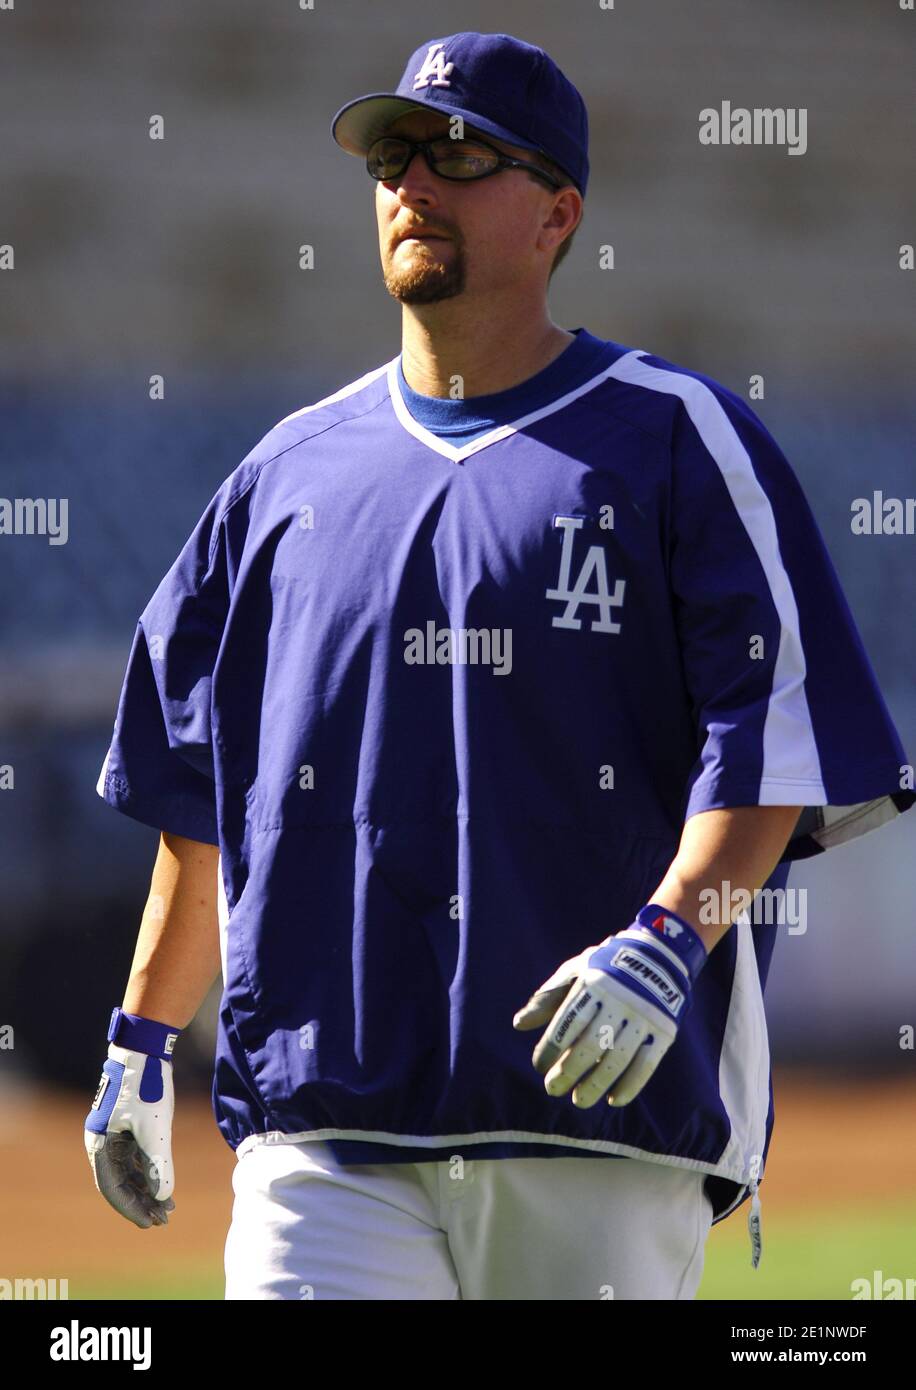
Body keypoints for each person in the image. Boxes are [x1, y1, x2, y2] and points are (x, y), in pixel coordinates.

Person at [85, 31, 913, 1300]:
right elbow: (204, 796)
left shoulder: (675, 439)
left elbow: (776, 742)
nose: (415, 182)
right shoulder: (280, 479)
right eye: (393, 156)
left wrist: (665, 941)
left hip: (597, 1114)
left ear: (557, 213)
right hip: (325, 1131)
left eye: (460, 153)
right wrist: (142, 1037)